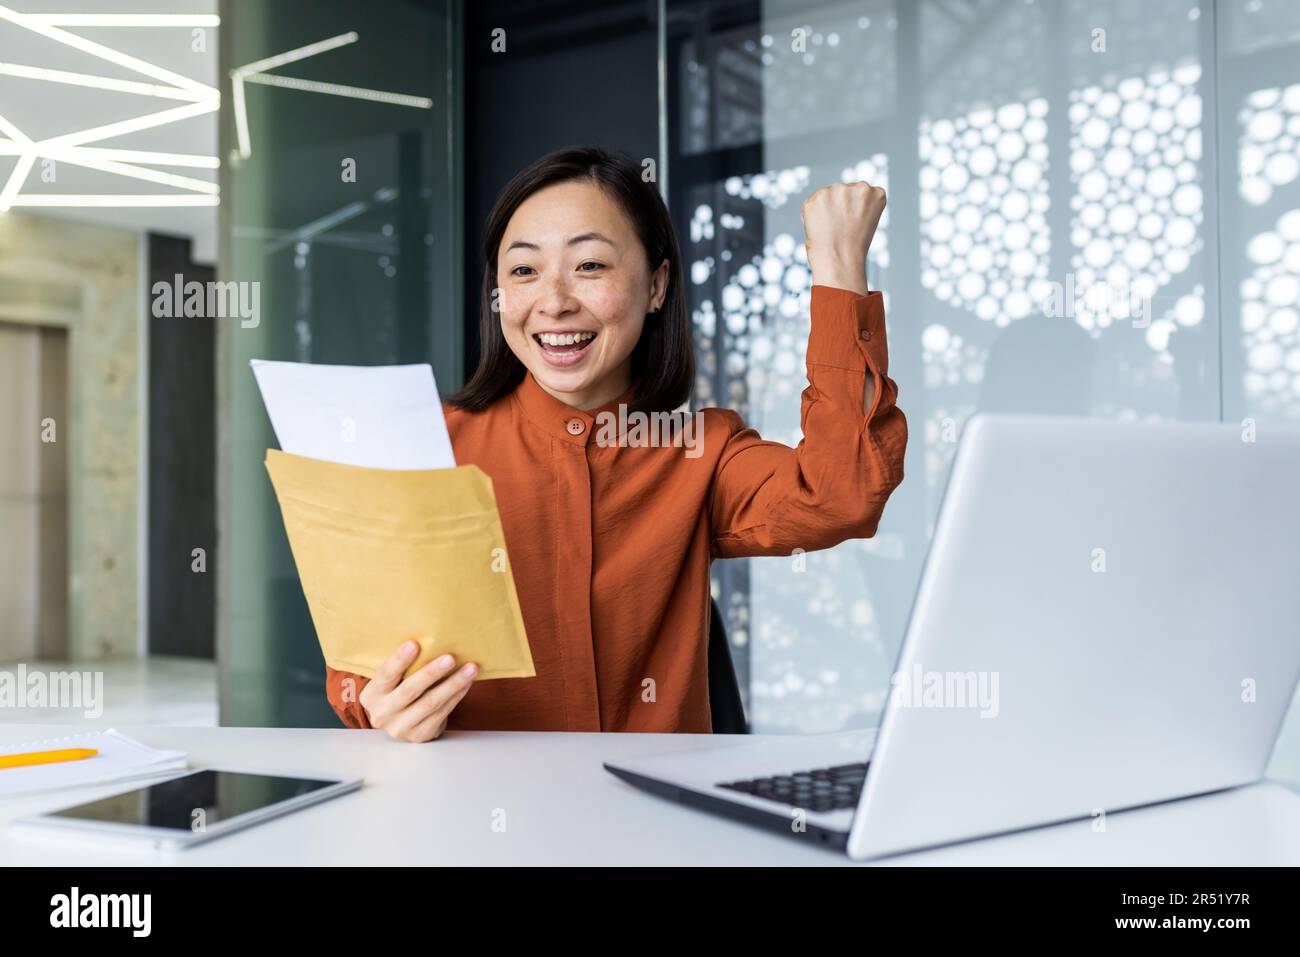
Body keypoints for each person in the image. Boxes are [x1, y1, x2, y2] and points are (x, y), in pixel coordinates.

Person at [326, 146, 907, 741]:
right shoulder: (426, 446)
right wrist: (381, 705)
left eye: (591, 266)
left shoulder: (699, 452)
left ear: (656, 285)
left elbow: (840, 495)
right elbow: (356, 671)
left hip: (654, 822)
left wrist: (838, 267)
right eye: (523, 271)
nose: (553, 301)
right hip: (469, 815)